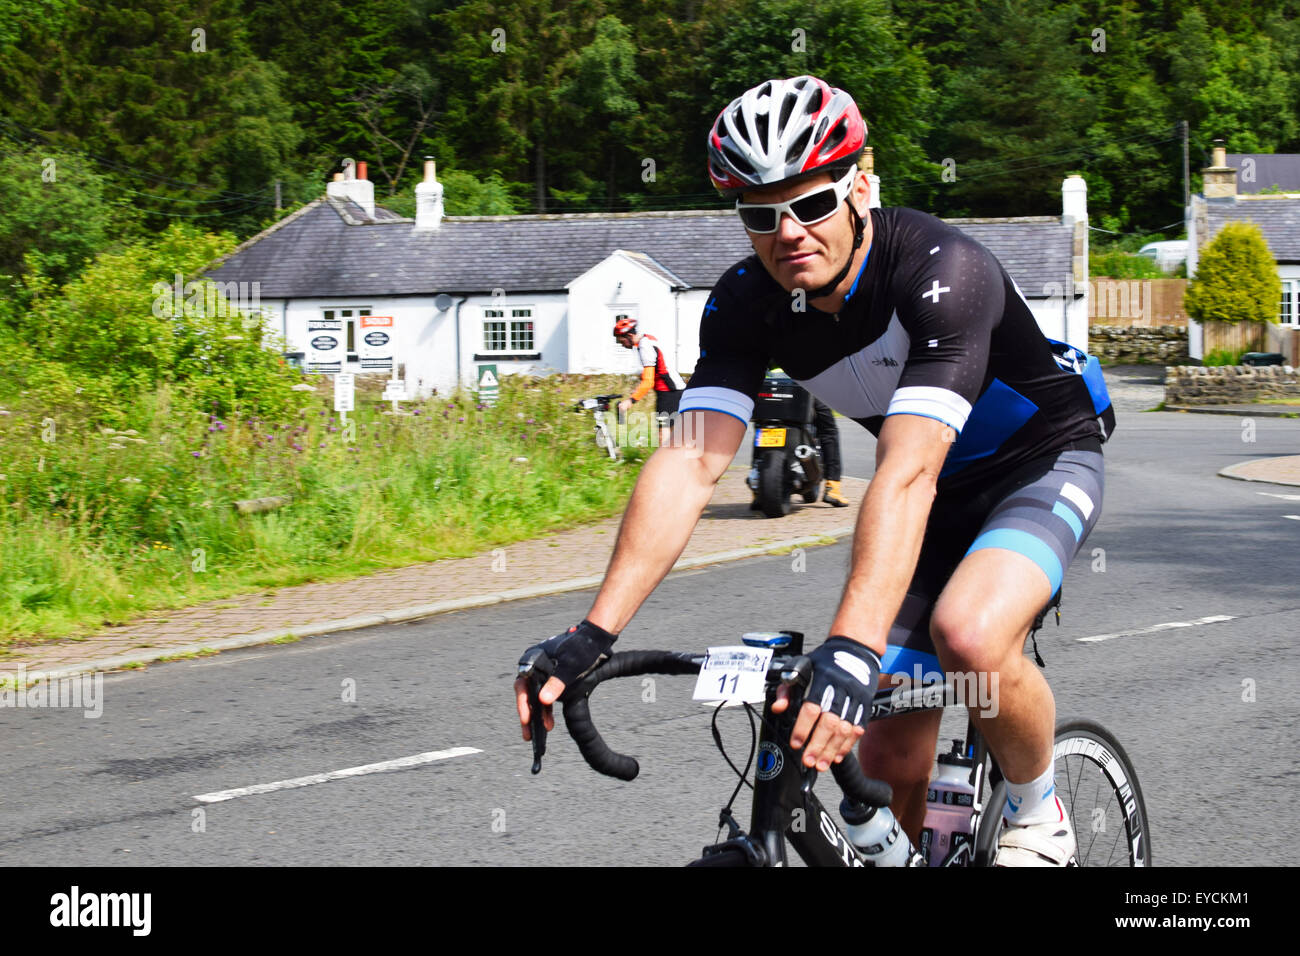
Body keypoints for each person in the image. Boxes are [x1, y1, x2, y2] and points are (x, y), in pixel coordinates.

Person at [517, 75, 1110, 866]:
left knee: (968, 636)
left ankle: (1041, 816)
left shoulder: (941, 272)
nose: (789, 231)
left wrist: (854, 648)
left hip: (1039, 464)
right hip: (927, 500)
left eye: (815, 203)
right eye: (760, 215)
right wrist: (592, 632)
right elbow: (691, 458)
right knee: (884, 760)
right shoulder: (743, 303)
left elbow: (902, 473)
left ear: (862, 186)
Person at [613, 316, 685, 448]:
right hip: (675, 389)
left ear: (629, 335)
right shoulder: (649, 339)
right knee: (675, 436)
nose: (621, 344)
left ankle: (665, 466)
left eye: (621, 340)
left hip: (668, 392)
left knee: (664, 435)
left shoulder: (644, 346)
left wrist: (630, 401)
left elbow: (648, 381)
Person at [812, 397, 848, 506]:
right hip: (805, 390)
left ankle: (757, 488)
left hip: (768, 392)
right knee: (829, 432)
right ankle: (833, 489)